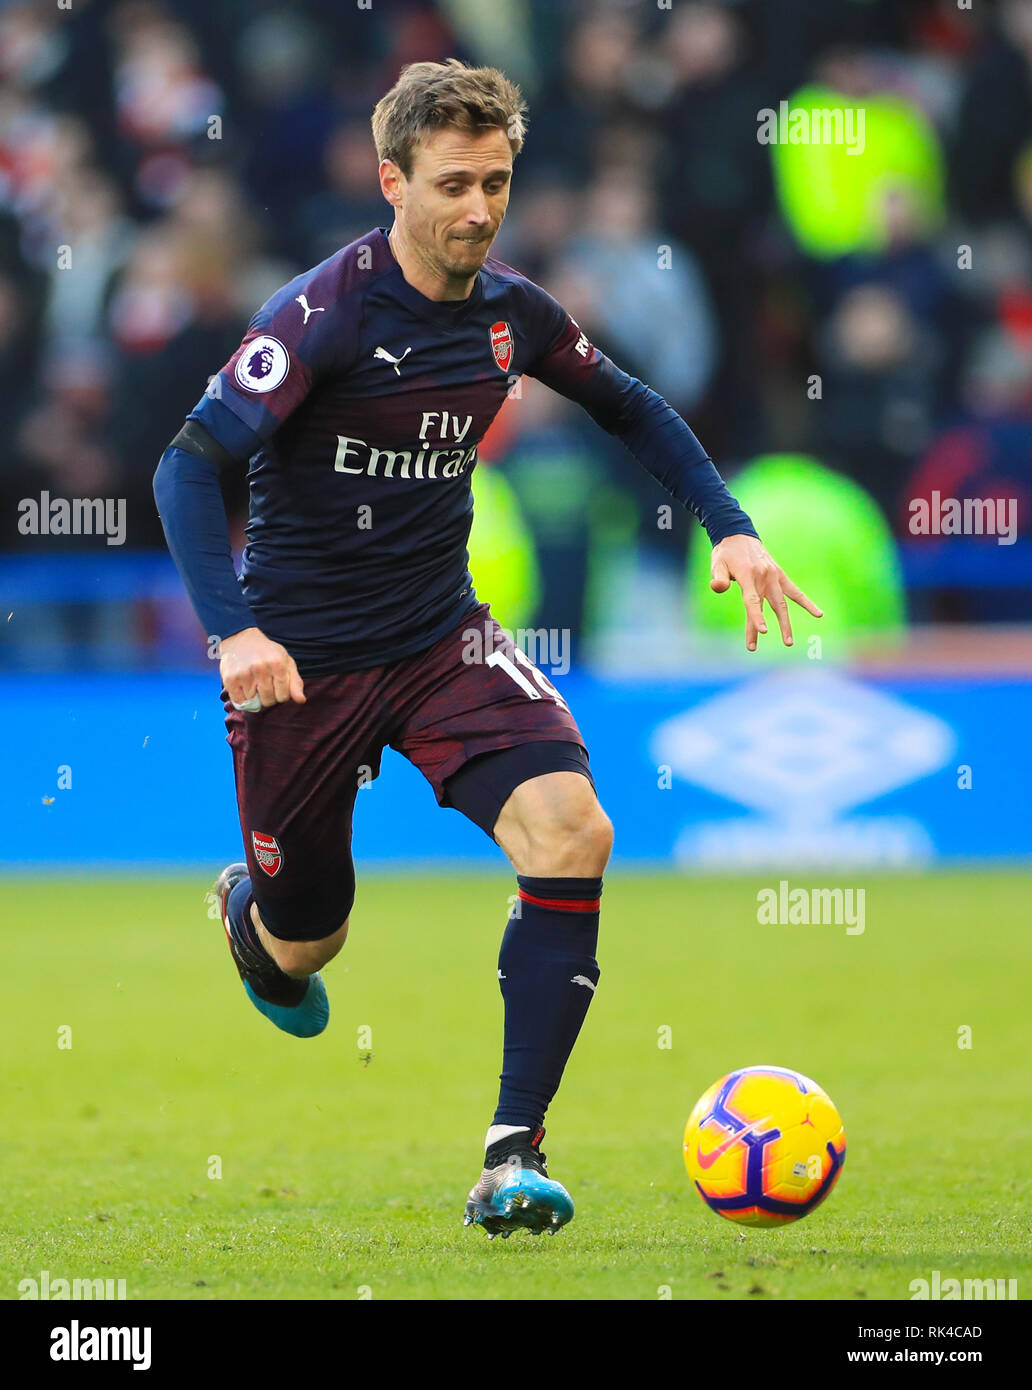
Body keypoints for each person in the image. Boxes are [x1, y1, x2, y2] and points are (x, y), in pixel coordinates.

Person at [153, 59, 821, 1239]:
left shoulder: (514, 316)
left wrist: (733, 528)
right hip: (301, 662)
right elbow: (186, 464)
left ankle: (512, 1154)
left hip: (436, 636)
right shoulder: (323, 315)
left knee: (574, 828)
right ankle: (252, 921)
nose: (477, 209)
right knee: (309, 937)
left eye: (496, 182)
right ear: (391, 179)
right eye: (453, 184)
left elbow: (635, 407)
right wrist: (236, 631)